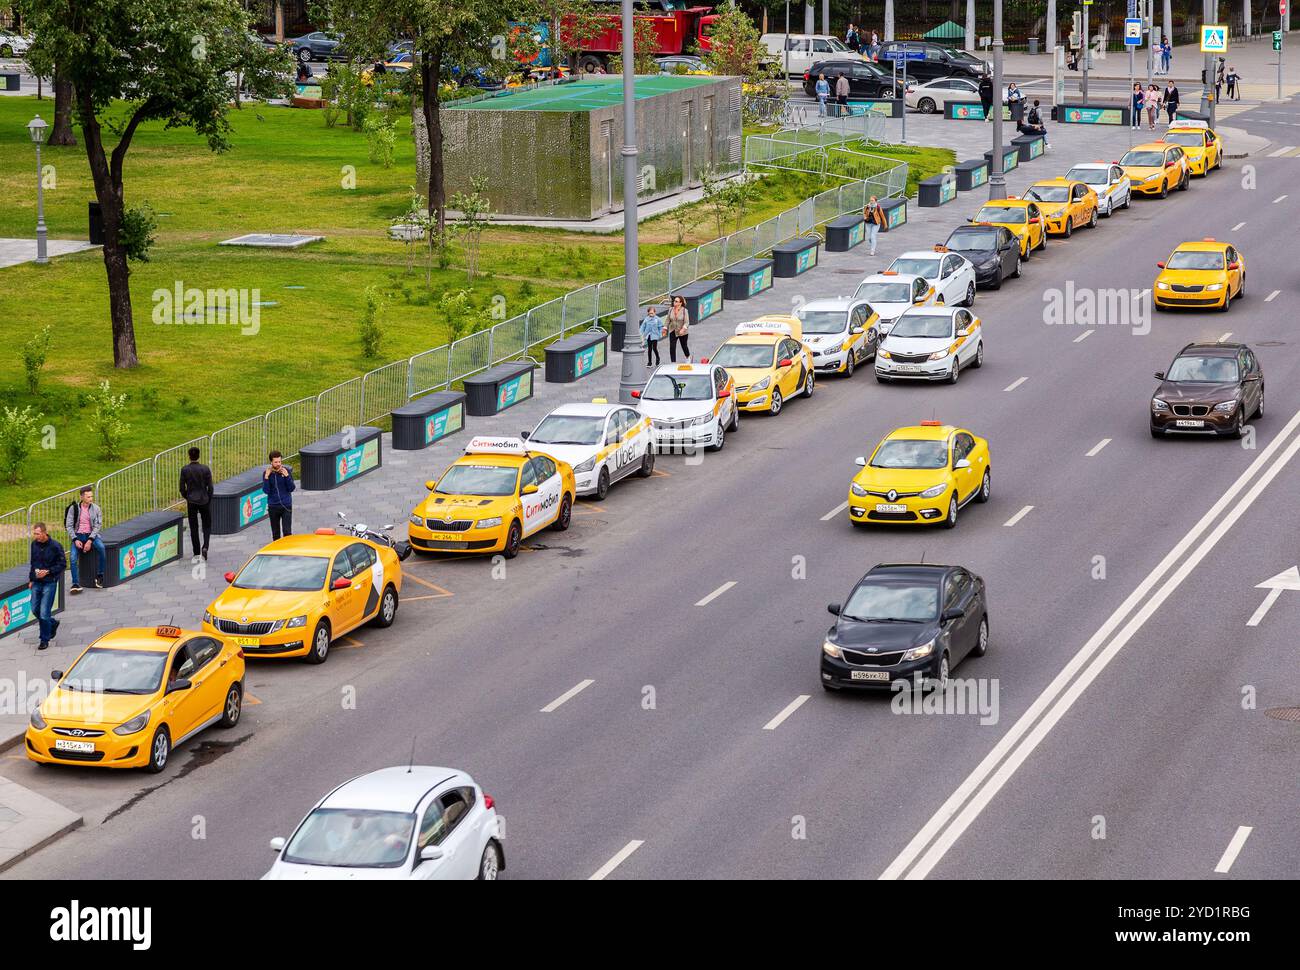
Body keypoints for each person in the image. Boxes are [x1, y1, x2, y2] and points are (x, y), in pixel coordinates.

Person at [28, 523, 65, 651]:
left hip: (49, 582)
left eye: (38, 534)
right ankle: (53, 623)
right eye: (35, 534)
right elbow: (33, 563)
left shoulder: (55, 546)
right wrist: (32, 578)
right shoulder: (34, 545)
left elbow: (62, 564)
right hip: (37, 582)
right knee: (34, 609)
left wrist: (48, 571)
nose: (36, 536)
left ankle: (44, 639)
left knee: (44, 613)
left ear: (44, 533)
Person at [64, 486, 105, 594]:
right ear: (81, 497)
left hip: (91, 535)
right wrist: (75, 539)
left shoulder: (96, 508)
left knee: (101, 548)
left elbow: (97, 525)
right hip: (78, 535)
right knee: (72, 558)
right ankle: (75, 583)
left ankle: (100, 576)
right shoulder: (73, 509)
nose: (91, 499)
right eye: (88, 497)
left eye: (91, 496)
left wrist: (90, 540)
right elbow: (68, 526)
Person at [179, 446, 213, 562]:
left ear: (189, 456)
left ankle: (196, 552)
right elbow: (210, 487)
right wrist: (209, 498)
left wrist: (187, 497)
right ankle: (205, 547)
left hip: (192, 501)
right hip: (204, 499)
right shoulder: (205, 469)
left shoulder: (185, 470)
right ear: (199, 455)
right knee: (207, 525)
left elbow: (182, 488)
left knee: (194, 527)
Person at [262, 450, 295, 541]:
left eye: (280, 461)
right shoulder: (267, 473)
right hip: (273, 506)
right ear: (271, 462)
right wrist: (266, 478)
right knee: (276, 534)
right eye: (276, 462)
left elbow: (291, 488)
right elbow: (266, 490)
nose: (278, 464)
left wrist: (287, 476)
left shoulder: (286, 471)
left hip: (286, 506)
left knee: (287, 532)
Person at [666, 296, 691, 363]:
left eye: (676, 301)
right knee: (672, 347)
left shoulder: (684, 311)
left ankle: (688, 357)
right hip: (673, 330)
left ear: (680, 303)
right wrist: (665, 328)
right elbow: (668, 320)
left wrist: (683, 329)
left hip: (682, 332)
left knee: (684, 346)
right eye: (674, 301)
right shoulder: (671, 309)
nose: (674, 302)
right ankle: (673, 362)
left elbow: (687, 322)